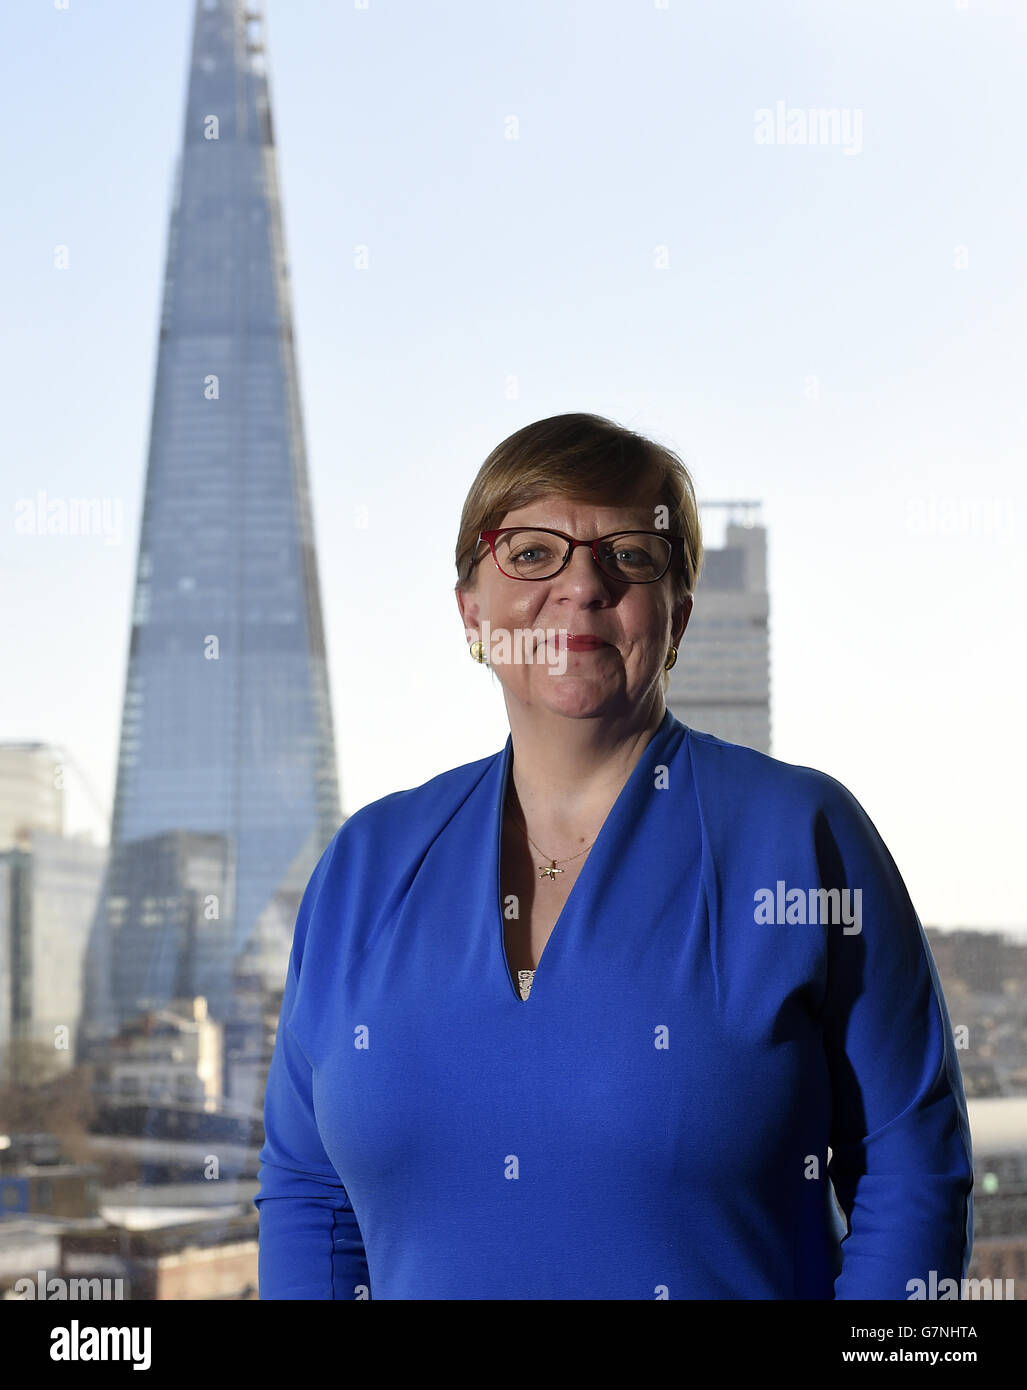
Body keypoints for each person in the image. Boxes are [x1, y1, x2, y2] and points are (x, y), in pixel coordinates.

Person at [253, 412, 973, 1299]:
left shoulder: (802, 834)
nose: (579, 587)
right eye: (528, 554)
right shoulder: (366, 862)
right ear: (471, 613)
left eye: (629, 556)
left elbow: (911, 1177)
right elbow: (308, 1193)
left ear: (676, 617)